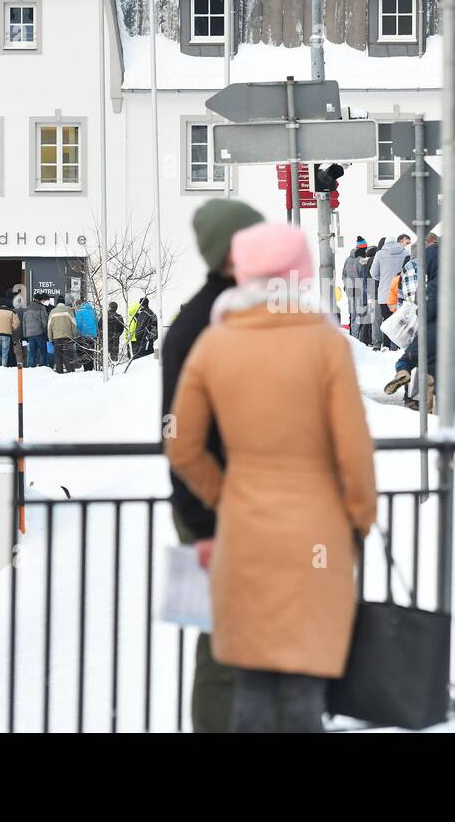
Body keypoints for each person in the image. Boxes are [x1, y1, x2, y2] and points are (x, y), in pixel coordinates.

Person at [166, 222, 377, 733]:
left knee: (253, 679)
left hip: (245, 529)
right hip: (318, 533)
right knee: (305, 679)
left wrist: (224, 492)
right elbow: (353, 447)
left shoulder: (214, 346)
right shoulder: (325, 345)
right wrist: (359, 515)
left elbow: (181, 442)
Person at [161, 198, 264, 732]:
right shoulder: (207, 321)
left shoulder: (222, 312)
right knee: (223, 647)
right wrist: (214, 511)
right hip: (213, 508)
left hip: (219, 505)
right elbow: (182, 437)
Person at [383, 242, 442, 411]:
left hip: (427, 331)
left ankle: (406, 380)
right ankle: (434, 402)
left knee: (409, 359)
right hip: (453, 334)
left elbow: (425, 311)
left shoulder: (427, 286)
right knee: (436, 365)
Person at [369, 234, 410, 350]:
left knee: (387, 320)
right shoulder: (405, 253)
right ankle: (396, 345)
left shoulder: (380, 254)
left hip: (384, 293)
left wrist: (381, 278)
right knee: (399, 320)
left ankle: (387, 345)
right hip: (401, 292)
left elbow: (373, 273)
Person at [342, 237, 368, 338]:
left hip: (349, 290)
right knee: (359, 314)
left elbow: (343, 275)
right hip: (359, 290)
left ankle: (353, 336)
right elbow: (364, 277)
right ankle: (356, 338)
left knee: (352, 313)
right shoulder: (362, 260)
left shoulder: (347, 260)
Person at [47, 295, 79, 374]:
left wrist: (50, 339)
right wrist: (74, 336)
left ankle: (59, 372)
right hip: (68, 337)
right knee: (67, 356)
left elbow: (49, 327)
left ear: (57, 302)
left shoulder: (52, 312)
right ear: (64, 302)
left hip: (56, 338)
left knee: (58, 356)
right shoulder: (69, 311)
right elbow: (74, 325)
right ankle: (69, 372)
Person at [21, 293, 49, 368]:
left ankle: (31, 367)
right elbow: (44, 321)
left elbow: (24, 323)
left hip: (29, 334)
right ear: (40, 299)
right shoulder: (41, 307)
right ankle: (43, 367)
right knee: (43, 352)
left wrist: (25, 335)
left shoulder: (27, 308)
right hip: (39, 332)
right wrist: (45, 331)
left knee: (31, 352)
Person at [0, 295, 19, 366]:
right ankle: (4, 367)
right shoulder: (11, 312)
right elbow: (17, 323)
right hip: (6, 335)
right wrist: (11, 328)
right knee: (5, 353)